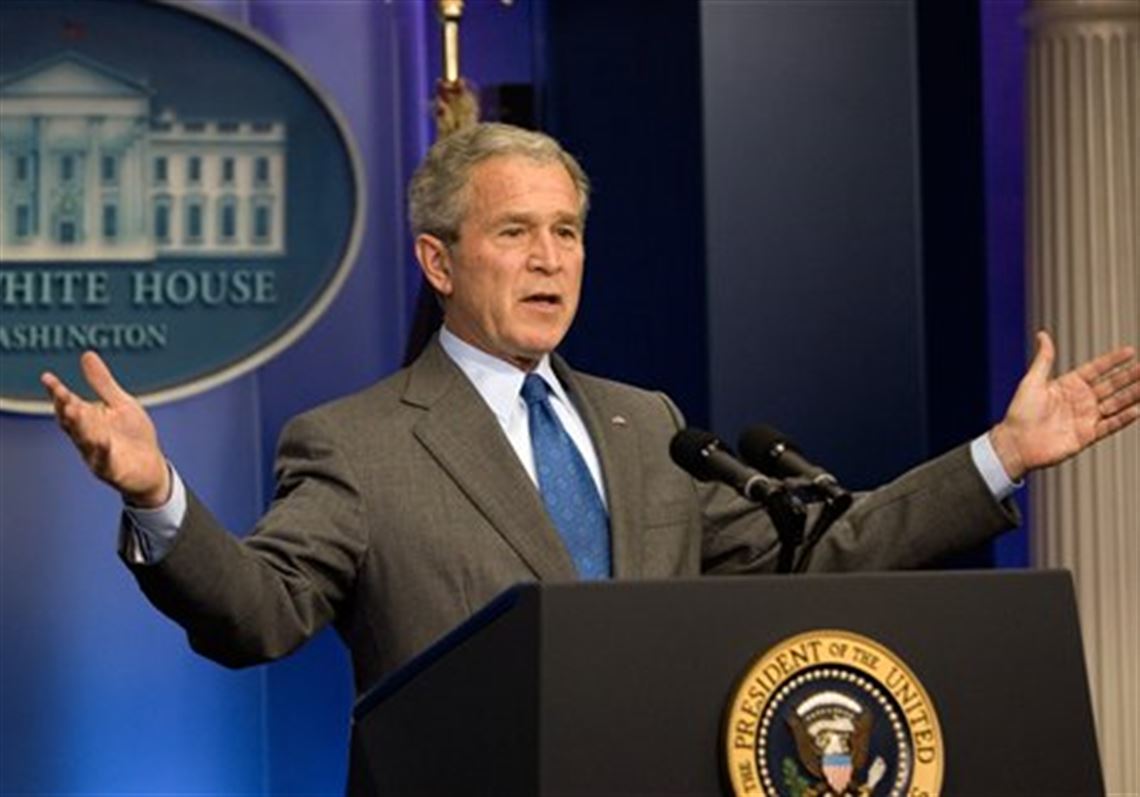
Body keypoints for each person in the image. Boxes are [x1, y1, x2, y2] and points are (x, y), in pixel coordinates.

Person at [41, 123, 1139, 782]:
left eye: (566, 231)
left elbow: (826, 547)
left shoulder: (644, 421)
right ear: (439, 261)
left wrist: (1001, 454)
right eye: (514, 232)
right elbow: (259, 614)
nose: (549, 259)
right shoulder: (358, 441)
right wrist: (158, 492)